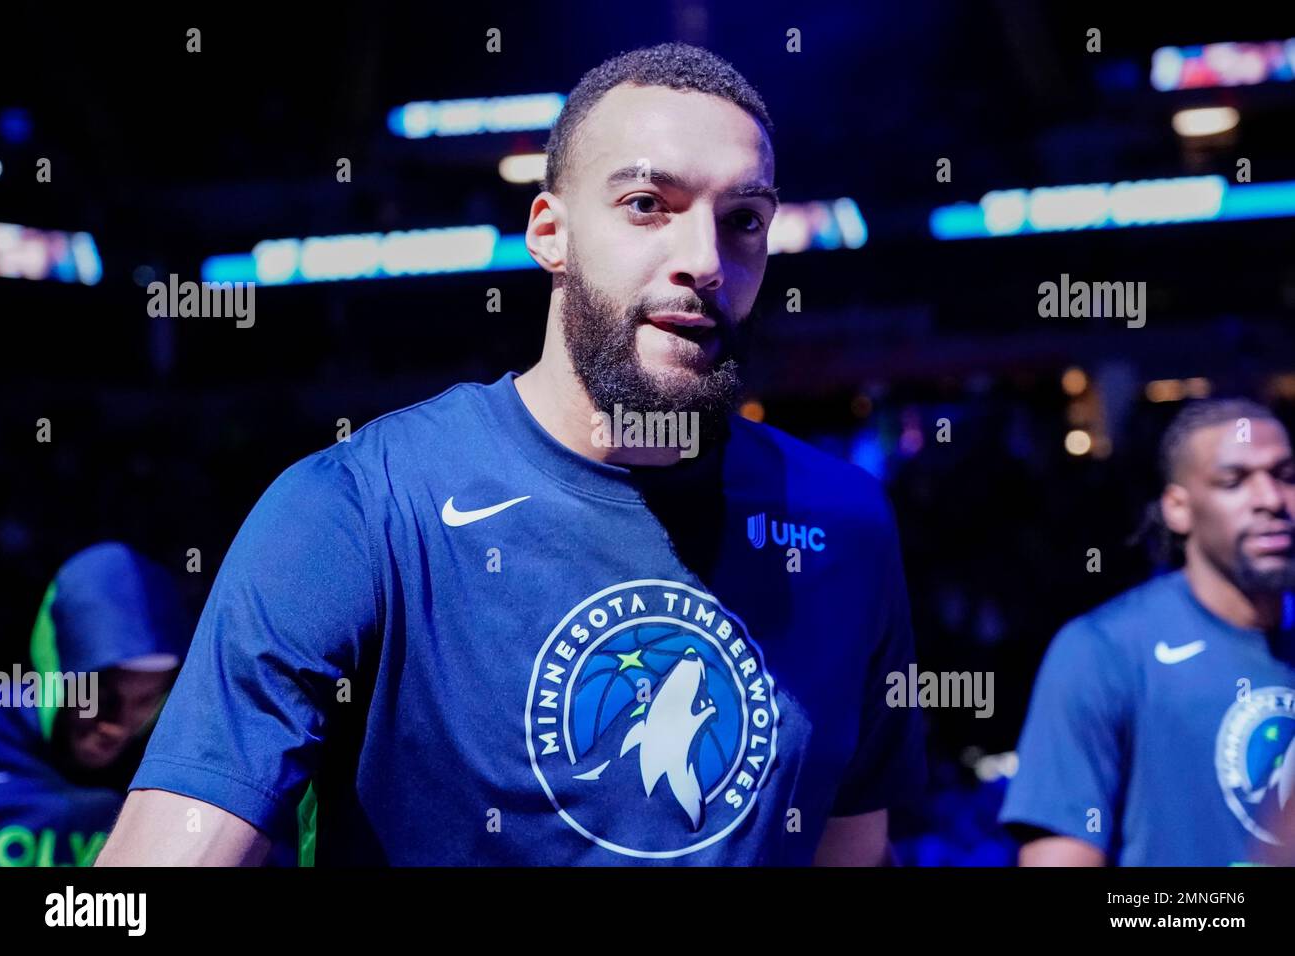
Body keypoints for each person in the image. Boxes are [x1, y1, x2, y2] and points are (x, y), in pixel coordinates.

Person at [97, 42, 925, 866]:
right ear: (550, 234)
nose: (706, 261)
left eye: (742, 220)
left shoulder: (844, 524)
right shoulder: (357, 508)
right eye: (647, 204)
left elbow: (847, 852)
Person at [1000, 398, 1295, 865]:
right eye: (1234, 481)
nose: (1272, 500)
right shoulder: (1103, 651)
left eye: (1286, 476)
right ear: (1178, 507)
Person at [0, 542, 188, 866]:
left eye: (146, 700)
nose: (116, 725)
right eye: (101, 697)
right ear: (56, 668)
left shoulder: (184, 785)